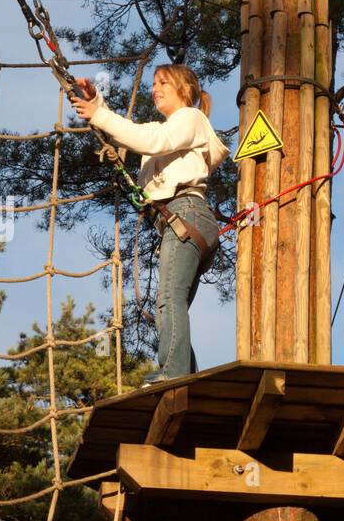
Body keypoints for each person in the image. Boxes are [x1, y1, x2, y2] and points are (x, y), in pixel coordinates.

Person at [70, 65, 229, 383]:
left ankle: (173, 373)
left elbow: (153, 140)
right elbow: (143, 136)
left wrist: (98, 115)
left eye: (163, 83)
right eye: (153, 83)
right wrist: (97, 103)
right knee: (175, 304)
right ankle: (188, 379)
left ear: (184, 89)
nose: (154, 88)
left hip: (185, 214)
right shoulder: (175, 127)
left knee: (169, 300)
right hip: (185, 219)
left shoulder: (190, 118)